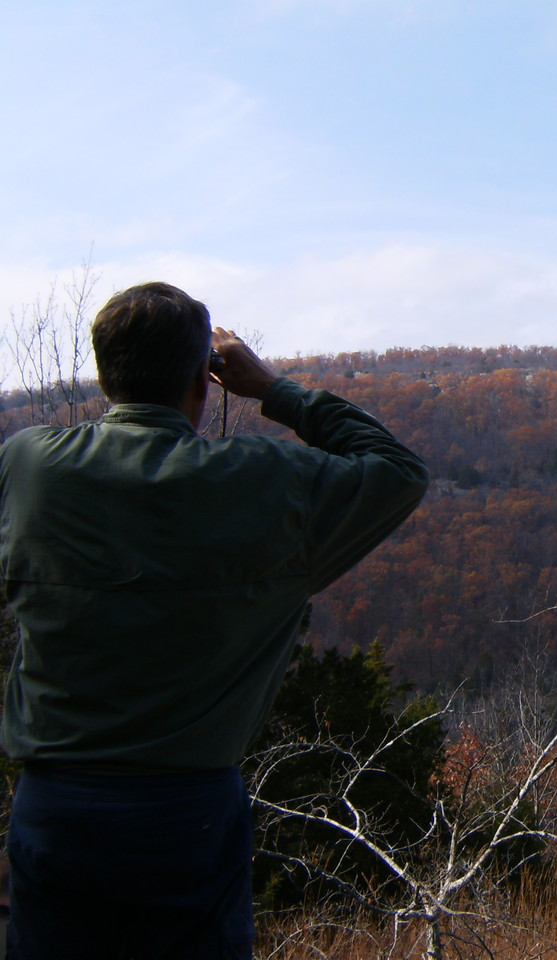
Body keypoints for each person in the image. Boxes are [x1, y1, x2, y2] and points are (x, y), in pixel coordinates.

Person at [0, 281, 429, 958]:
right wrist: (273, 389)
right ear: (205, 381)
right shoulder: (263, 484)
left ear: (106, 375)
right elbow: (398, 470)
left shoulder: (27, 467)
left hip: (55, 807)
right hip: (188, 816)